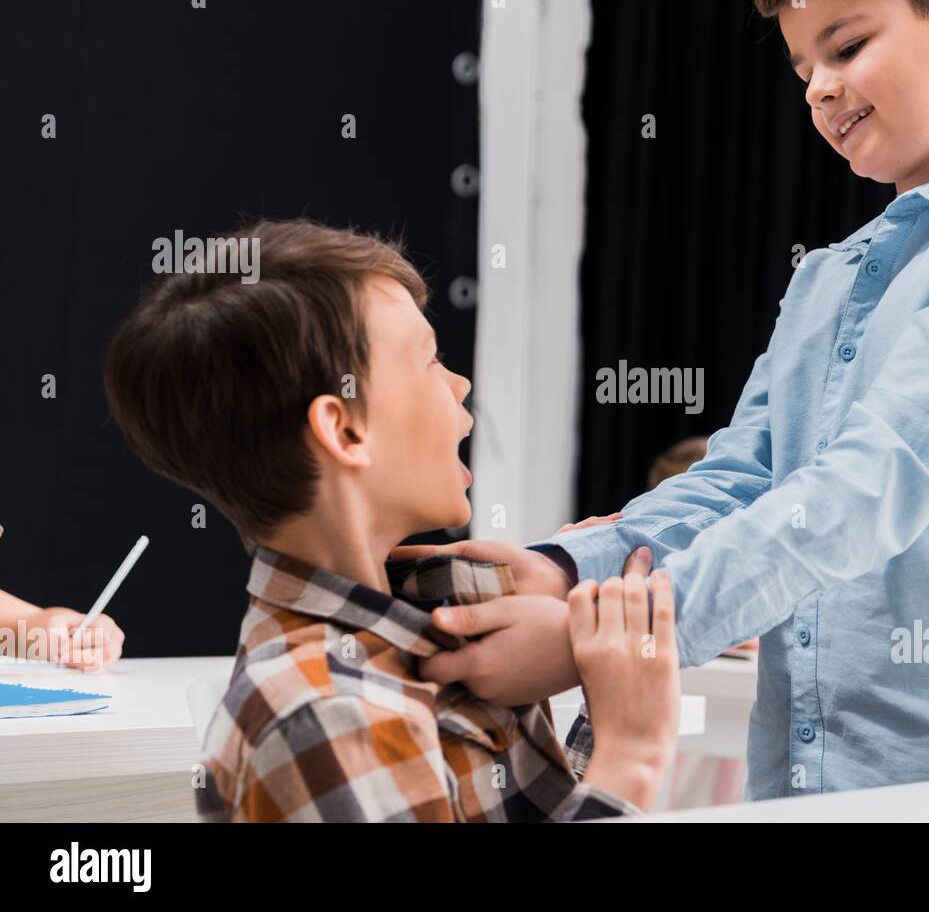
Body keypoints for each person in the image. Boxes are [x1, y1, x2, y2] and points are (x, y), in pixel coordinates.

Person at [408, 0, 929, 800]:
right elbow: (740, 481)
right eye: (802, 68)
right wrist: (568, 569)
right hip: (805, 788)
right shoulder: (825, 278)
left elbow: (868, 484)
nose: (819, 88)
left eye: (846, 48)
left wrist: (599, 640)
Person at [103, 219, 679, 821]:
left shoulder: (425, 616)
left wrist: (606, 686)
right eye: (429, 360)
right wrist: (630, 757)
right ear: (345, 430)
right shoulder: (326, 718)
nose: (460, 385)